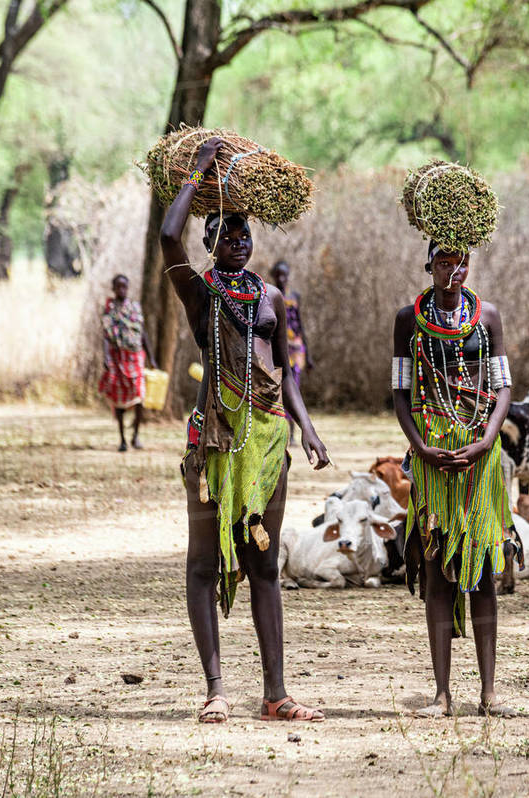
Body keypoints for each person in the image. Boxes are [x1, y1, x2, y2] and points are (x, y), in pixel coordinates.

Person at [160, 137, 331, 724]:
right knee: (205, 564)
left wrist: (307, 429)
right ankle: (214, 688)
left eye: (244, 233)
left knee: (264, 563)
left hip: (266, 440)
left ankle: (276, 694)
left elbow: (284, 374)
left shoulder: (271, 296)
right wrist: (198, 173)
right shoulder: (199, 292)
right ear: (208, 242)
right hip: (215, 438)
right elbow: (165, 237)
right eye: (225, 234)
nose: (236, 241)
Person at [392, 241, 515, 719]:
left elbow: (502, 386)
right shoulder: (409, 320)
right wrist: (420, 448)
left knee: (482, 567)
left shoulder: (488, 318)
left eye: (462, 260)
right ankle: (442, 694)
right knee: (436, 564)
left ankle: (488, 692)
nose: (454, 269)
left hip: (479, 456)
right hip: (431, 456)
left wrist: (487, 439)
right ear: (429, 265)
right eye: (445, 261)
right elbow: (401, 391)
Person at [98, 274, 157, 451]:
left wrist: (151, 357)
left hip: (136, 357)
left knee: (139, 397)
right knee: (119, 401)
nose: (121, 290)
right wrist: (107, 357)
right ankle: (122, 439)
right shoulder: (110, 310)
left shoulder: (134, 308)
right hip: (118, 358)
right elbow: (107, 337)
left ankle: (136, 436)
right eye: (118, 287)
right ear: (113, 288)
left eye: (124, 286)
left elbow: (142, 333)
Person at [269, 260, 313, 444]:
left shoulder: (295, 296)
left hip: (296, 351)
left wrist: (308, 355)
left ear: (288, 275)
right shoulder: (270, 295)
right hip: (278, 348)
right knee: (277, 391)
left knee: (293, 388)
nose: (281, 278)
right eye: (278, 274)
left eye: (284, 274)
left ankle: (294, 434)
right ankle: (280, 433)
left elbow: (300, 325)